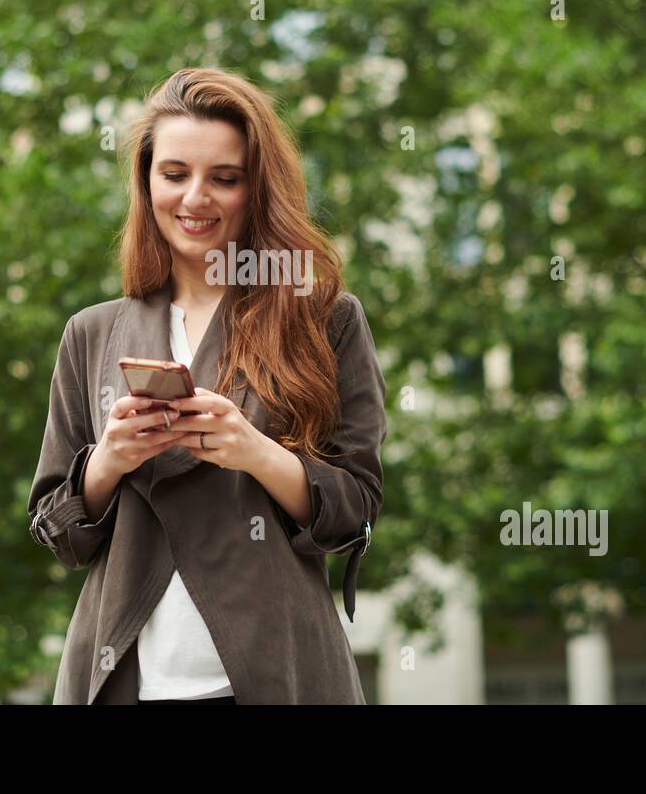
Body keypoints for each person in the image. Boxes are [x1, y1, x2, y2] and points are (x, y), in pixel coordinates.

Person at [27, 67, 387, 704]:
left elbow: (355, 509)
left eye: (224, 178)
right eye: (174, 174)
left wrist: (258, 454)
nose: (196, 198)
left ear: (257, 188)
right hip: (123, 679)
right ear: (146, 182)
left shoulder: (324, 318)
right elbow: (60, 534)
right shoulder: (92, 333)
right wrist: (106, 463)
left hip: (276, 674)